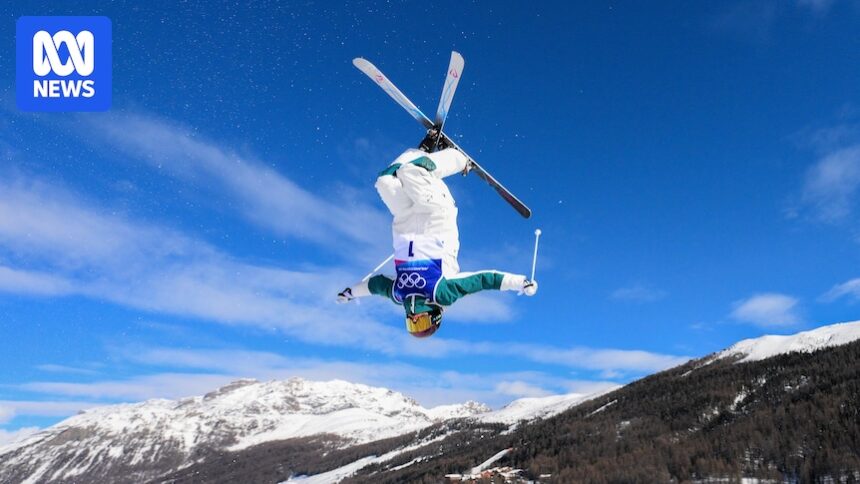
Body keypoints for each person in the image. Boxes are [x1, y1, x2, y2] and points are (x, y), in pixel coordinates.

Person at [336, 142, 537, 338]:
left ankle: (422, 149)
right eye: (421, 322)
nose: (414, 319)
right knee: (411, 171)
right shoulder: (442, 293)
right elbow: (483, 280)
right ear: (435, 316)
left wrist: (350, 293)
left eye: (411, 325)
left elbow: (375, 285)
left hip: (405, 220)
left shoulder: (399, 294)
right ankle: (459, 159)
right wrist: (520, 283)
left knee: (385, 181)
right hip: (436, 216)